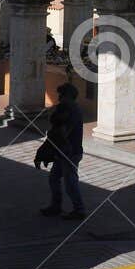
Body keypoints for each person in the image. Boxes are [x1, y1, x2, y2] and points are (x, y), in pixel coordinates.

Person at [37, 82, 86, 220]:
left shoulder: (72, 111)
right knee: (54, 178)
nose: (59, 98)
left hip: (70, 153)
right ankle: (56, 206)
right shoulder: (67, 109)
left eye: (62, 95)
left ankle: (79, 210)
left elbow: (62, 132)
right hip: (62, 152)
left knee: (70, 182)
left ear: (69, 96)